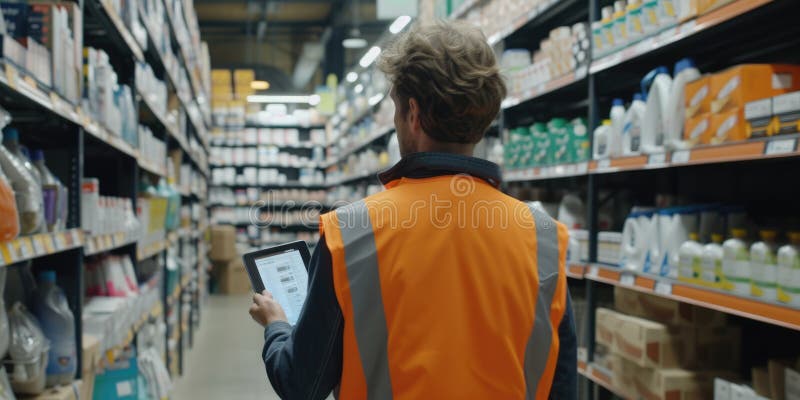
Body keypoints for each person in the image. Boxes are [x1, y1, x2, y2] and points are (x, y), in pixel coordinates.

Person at [249, 20, 577, 400]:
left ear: (414, 114)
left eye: (395, 107)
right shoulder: (543, 236)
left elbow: (300, 384)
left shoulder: (351, 231)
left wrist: (276, 325)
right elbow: (561, 381)